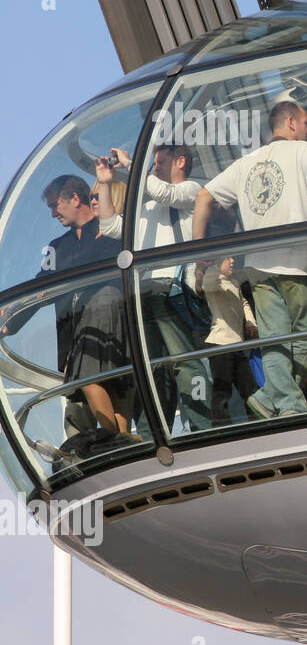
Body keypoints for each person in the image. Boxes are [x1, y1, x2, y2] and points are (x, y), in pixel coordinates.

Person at [192, 100, 307, 419]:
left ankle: (274, 398)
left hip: (259, 268)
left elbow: (203, 196)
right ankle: (281, 401)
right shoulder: (303, 151)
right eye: (306, 123)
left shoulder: (245, 163)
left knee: (276, 341)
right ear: (291, 123)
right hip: (300, 264)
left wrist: (197, 251)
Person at [2, 176, 134, 443]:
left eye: (55, 206)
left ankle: (112, 439)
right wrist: (10, 322)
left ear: (75, 198)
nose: (52, 213)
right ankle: (123, 440)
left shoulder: (110, 232)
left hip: (105, 313)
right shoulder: (59, 247)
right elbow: (41, 289)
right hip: (79, 323)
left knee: (93, 380)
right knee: (107, 383)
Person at [96, 143, 211, 432]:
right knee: (153, 368)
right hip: (144, 292)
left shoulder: (191, 190)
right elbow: (111, 227)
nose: (154, 168)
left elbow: (165, 192)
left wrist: (131, 167)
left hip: (171, 290)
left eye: (159, 163)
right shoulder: (147, 205)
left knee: (185, 361)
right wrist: (107, 185)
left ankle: (201, 424)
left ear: (180, 161)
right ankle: (152, 433)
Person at [199, 255, 259, 425]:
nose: (232, 261)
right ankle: (220, 426)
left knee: (249, 388)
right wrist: (210, 267)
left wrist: (250, 323)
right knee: (222, 390)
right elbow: (208, 285)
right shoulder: (212, 279)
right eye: (227, 258)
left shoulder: (234, 282)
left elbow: (244, 302)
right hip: (220, 343)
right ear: (217, 263)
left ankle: (255, 421)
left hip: (237, 343)